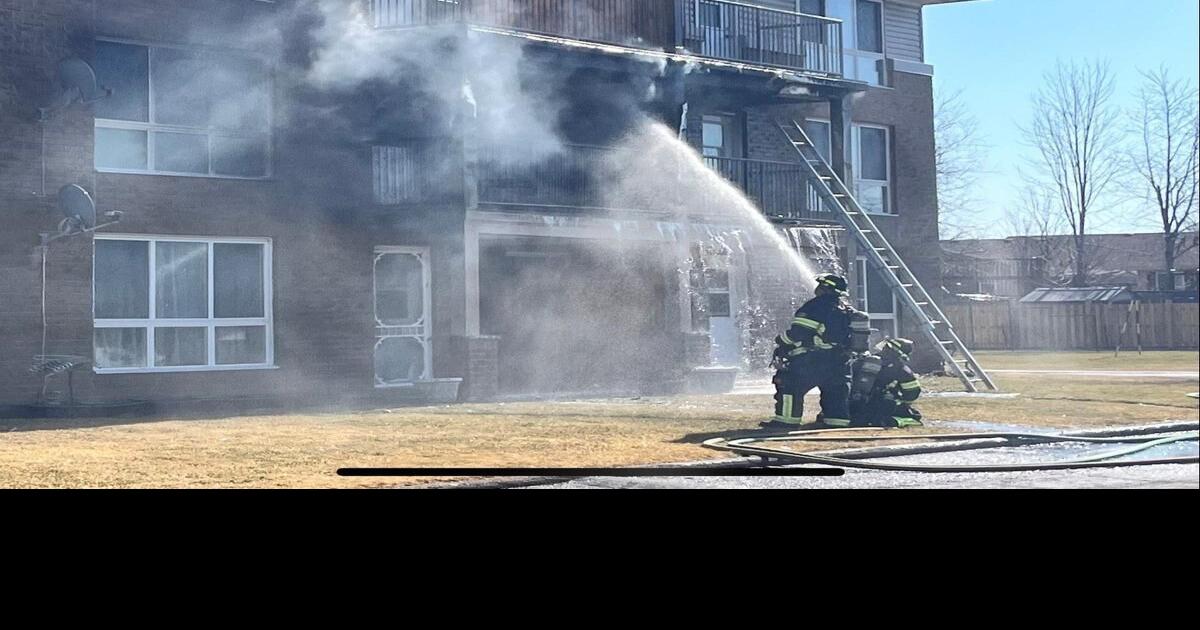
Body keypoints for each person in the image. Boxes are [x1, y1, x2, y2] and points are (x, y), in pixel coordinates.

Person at [761, 273, 864, 430]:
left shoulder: (816, 306)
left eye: (820, 285)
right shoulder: (846, 309)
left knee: (789, 385)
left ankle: (786, 422)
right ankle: (837, 424)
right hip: (840, 362)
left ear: (824, 288)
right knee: (836, 394)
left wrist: (780, 341)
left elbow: (798, 333)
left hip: (813, 360)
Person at [848, 337, 923, 428]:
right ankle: (892, 421)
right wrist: (902, 402)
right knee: (915, 417)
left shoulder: (861, 361)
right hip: (882, 406)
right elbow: (913, 392)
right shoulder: (900, 369)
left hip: (852, 407)